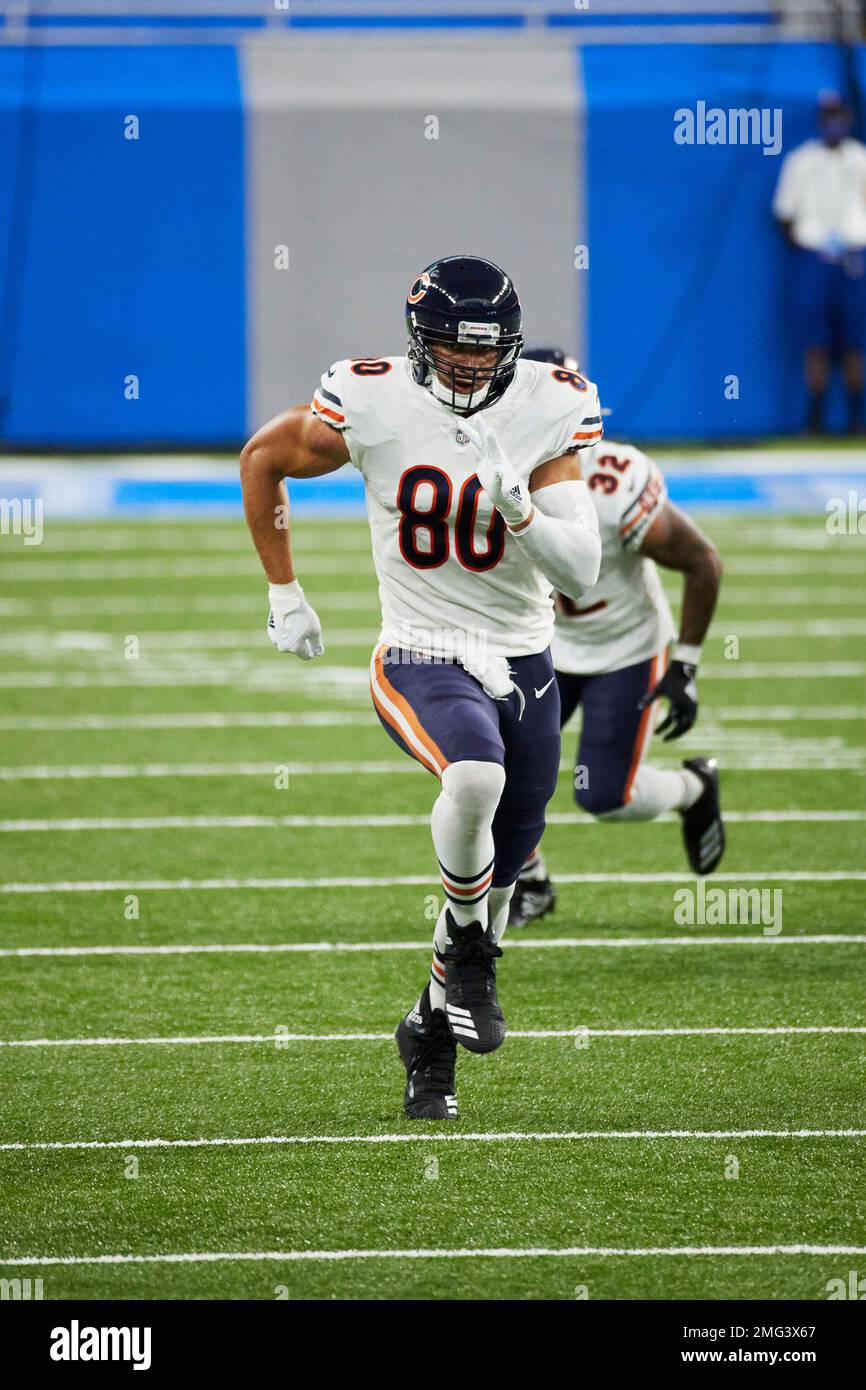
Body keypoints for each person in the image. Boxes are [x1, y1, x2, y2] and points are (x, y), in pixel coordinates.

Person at [240, 257, 603, 1120]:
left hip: (523, 658)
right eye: (452, 348)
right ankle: (470, 957)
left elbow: (582, 570)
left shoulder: (552, 402)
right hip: (419, 646)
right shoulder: (368, 397)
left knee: (504, 874)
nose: (471, 367)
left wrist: (518, 508)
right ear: (418, 340)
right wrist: (283, 592)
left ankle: (427, 1032)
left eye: (487, 352)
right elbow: (263, 459)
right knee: (474, 777)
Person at [509, 348, 724, 930]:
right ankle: (531, 882)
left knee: (604, 794)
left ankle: (692, 785)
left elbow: (703, 561)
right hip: (541, 643)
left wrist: (686, 665)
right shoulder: (488, 468)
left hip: (622, 647)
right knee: (495, 765)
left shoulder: (612, 485)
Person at [772, 91, 866, 435]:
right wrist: (810, 244)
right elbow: (784, 214)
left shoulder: (860, 159)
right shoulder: (801, 161)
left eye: (839, 116)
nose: (834, 123)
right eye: (829, 117)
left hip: (855, 258)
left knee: (857, 339)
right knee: (816, 341)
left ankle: (856, 419)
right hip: (814, 258)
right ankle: (815, 420)